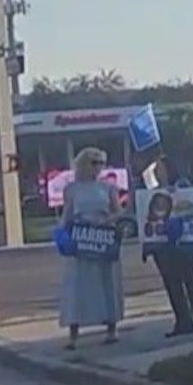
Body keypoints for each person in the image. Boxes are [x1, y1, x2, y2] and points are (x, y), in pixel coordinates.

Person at [142, 156, 193, 337]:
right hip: (162, 247)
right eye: (156, 170)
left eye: (161, 169)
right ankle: (183, 321)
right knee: (172, 285)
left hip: (184, 244)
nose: (158, 173)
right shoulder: (152, 193)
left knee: (192, 281)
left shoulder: (183, 185)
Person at [58, 147, 124, 349]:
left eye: (101, 163)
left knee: (107, 283)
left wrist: (108, 221)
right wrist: (61, 235)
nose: (98, 167)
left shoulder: (108, 188)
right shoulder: (72, 188)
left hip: (103, 238)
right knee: (77, 287)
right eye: (94, 163)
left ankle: (112, 328)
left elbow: (119, 212)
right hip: (80, 239)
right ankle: (73, 334)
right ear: (83, 164)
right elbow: (67, 215)